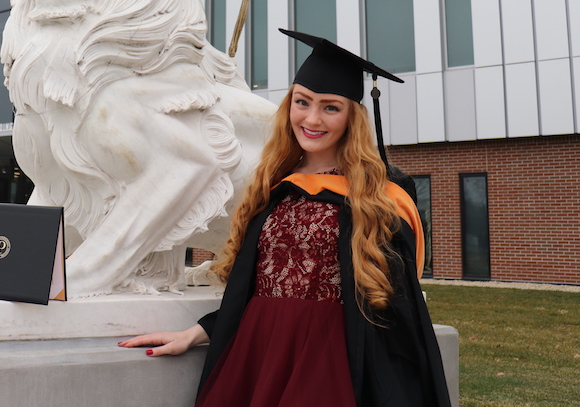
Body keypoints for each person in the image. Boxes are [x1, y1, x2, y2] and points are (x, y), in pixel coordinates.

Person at [119, 29, 451, 407]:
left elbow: (399, 313)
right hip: (259, 352)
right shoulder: (272, 188)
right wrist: (196, 333)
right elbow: (251, 287)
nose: (312, 118)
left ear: (352, 118)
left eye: (330, 107)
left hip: (328, 360)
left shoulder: (377, 202)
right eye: (302, 102)